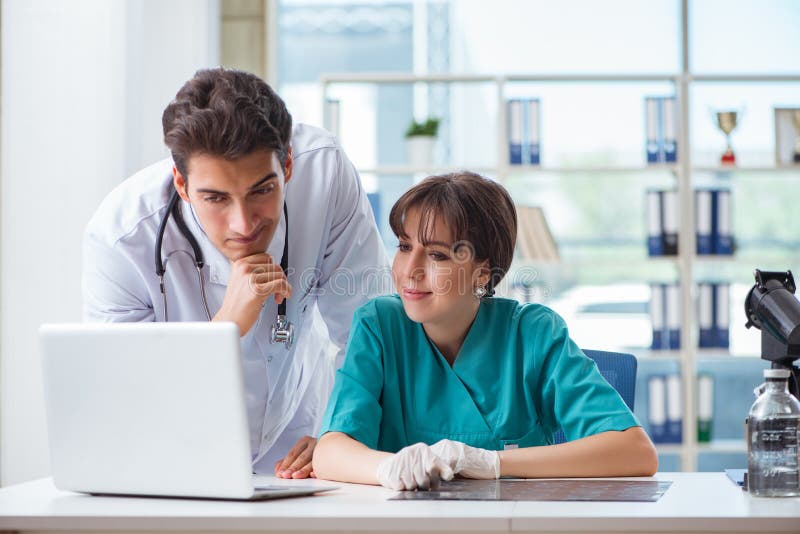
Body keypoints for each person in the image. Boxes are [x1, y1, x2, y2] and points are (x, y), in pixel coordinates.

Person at [83, 67, 389, 478]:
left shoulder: (325, 175)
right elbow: (124, 400)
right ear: (181, 183)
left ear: (289, 166)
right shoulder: (120, 238)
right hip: (177, 460)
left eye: (262, 190)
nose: (243, 224)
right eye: (215, 198)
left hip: (298, 451)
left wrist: (345, 437)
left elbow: (369, 333)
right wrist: (225, 326)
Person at [312, 171, 658, 490]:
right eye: (404, 247)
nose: (410, 270)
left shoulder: (533, 334)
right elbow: (330, 451)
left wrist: (491, 462)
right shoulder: (379, 327)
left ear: (483, 272)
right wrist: (390, 468)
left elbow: (636, 452)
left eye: (436, 255)